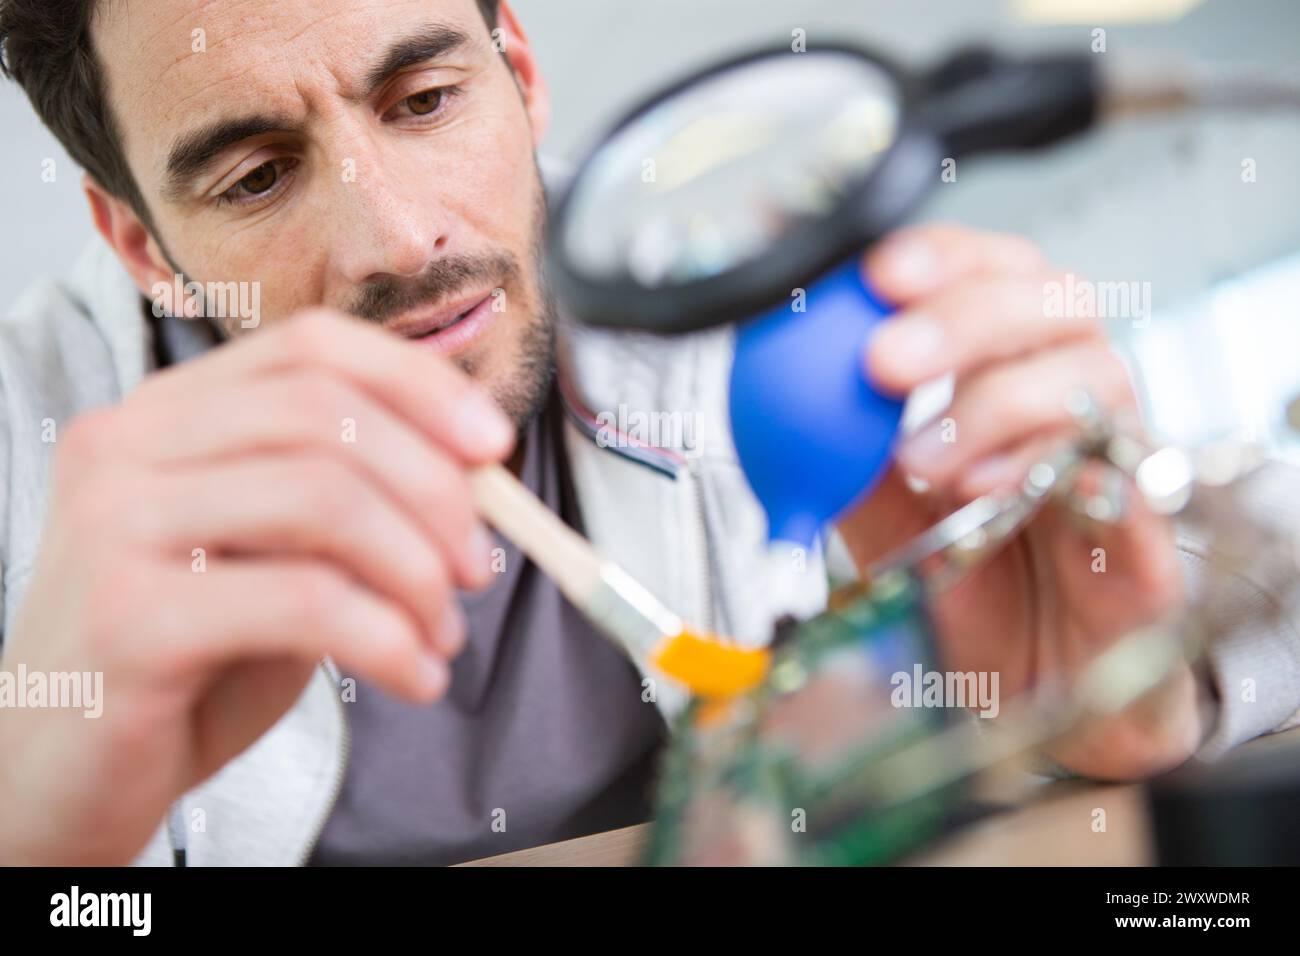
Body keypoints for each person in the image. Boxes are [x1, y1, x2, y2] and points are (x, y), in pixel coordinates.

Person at [0, 0, 1296, 866]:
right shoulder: (26, 443)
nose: (398, 241)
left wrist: (1115, 705)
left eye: (425, 99)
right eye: (257, 176)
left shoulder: (754, 314)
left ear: (520, 71)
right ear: (137, 245)